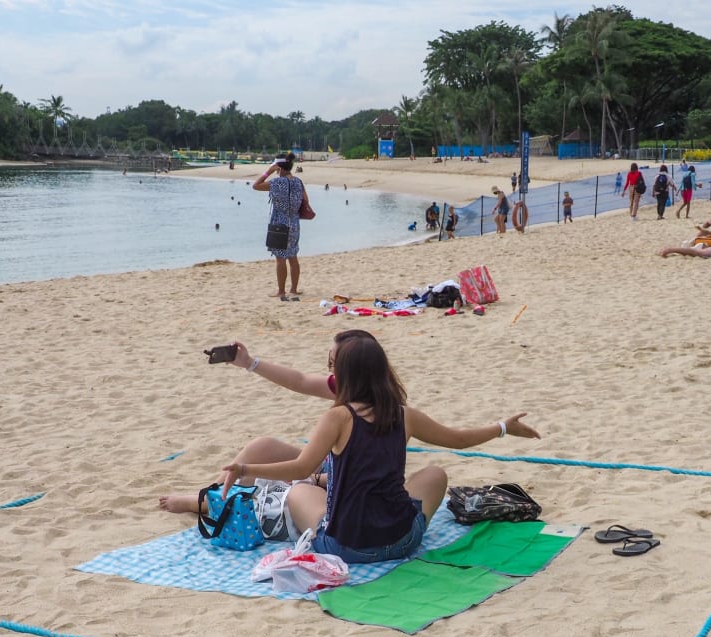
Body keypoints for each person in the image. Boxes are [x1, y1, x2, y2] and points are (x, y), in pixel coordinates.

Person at [217, 332, 541, 563]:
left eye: (332, 364)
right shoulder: (404, 415)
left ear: (347, 373)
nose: (329, 370)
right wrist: (502, 427)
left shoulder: (337, 417)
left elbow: (300, 468)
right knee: (434, 474)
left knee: (299, 491)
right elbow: (458, 439)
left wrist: (245, 469)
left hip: (347, 548)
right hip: (402, 541)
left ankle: (216, 499)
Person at [158, 330, 376, 516]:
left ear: (352, 369)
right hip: (330, 467)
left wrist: (313, 478)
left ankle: (209, 502)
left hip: (344, 486)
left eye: (333, 363)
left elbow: (361, 475)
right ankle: (211, 497)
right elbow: (299, 380)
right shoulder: (355, 389)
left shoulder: (374, 412)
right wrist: (249, 363)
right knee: (262, 447)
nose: (330, 370)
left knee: (283, 484)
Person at [253, 153, 308, 299]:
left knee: (280, 258)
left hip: (279, 224)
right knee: (293, 256)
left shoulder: (277, 183)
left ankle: (281, 291)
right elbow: (306, 200)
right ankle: (294, 289)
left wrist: (268, 171)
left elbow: (255, 185)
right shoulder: (298, 182)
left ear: (278, 167)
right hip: (294, 223)